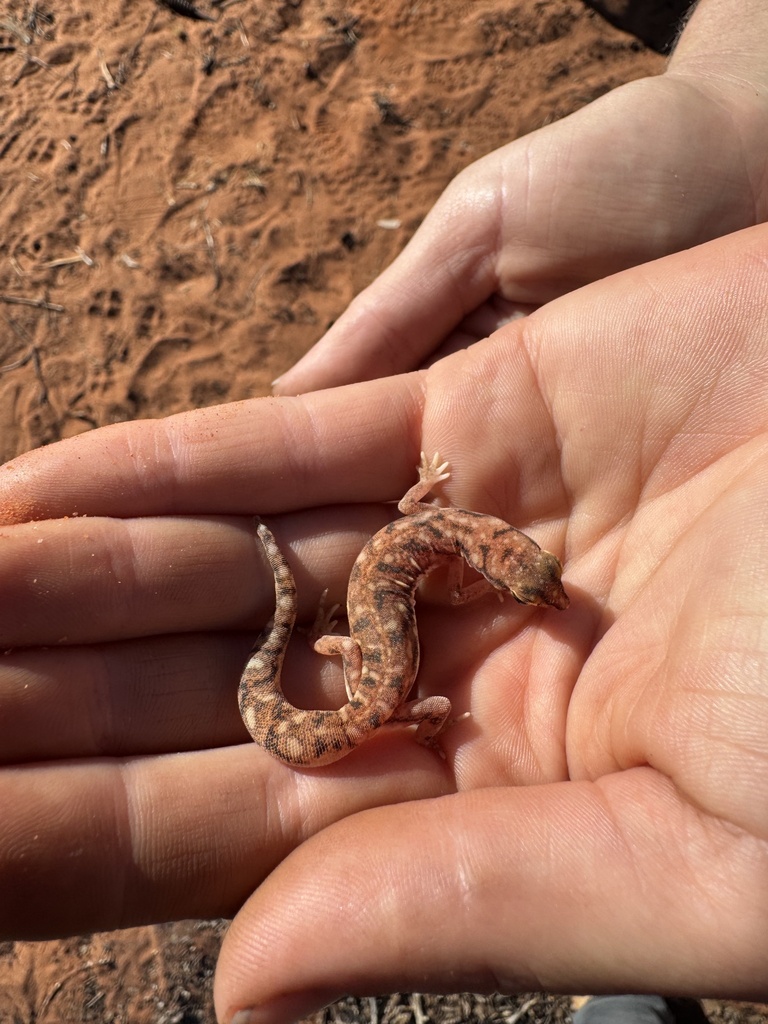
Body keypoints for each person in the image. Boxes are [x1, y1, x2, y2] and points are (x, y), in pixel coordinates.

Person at [0, 1, 766, 1022]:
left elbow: (422, 521)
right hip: (372, 685)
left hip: (367, 671)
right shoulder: (429, 590)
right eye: (527, 582)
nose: (534, 590)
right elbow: (429, 561)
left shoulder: (432, 541)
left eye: (531, 584)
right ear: (495, 559)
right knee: (378, 679)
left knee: (350, 658)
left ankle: (296, 638)